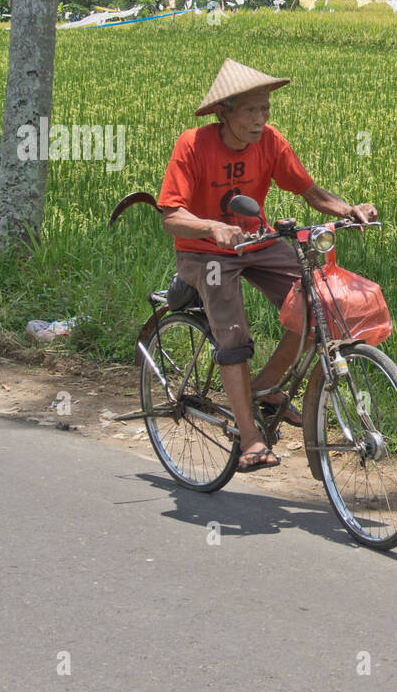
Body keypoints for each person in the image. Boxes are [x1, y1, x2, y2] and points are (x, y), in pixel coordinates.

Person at [157, 58, 378, 472]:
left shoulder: (271, 142)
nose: (260, 119)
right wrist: (210, 228)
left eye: (265, 110)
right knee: (234, 336)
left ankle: (267, 390)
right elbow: (170, 215)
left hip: (256, 243)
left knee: (319, 304)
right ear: (225, 112)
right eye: (250, 111)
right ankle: (251, 439)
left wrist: (348, 210)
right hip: (205, 253)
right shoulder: (192, 144)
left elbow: (308, 190)